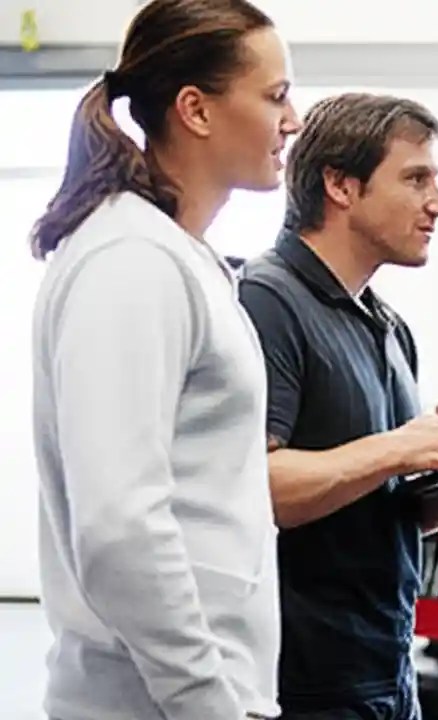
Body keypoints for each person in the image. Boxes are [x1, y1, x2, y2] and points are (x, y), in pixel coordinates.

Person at [28, 1, 301, 718]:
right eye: (275, 96)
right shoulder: (132, 263)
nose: (293, 119)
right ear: (196, 110)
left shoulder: (174, 257)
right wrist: (207, 702)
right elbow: (120, 528)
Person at [237, 92, 438, 719]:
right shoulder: (267, 301)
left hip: (388, 669)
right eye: (416, 179)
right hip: (303, 684)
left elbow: (377, 507)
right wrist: (403, 445)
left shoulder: (387, 327)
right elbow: (258, 489)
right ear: (341, 185)